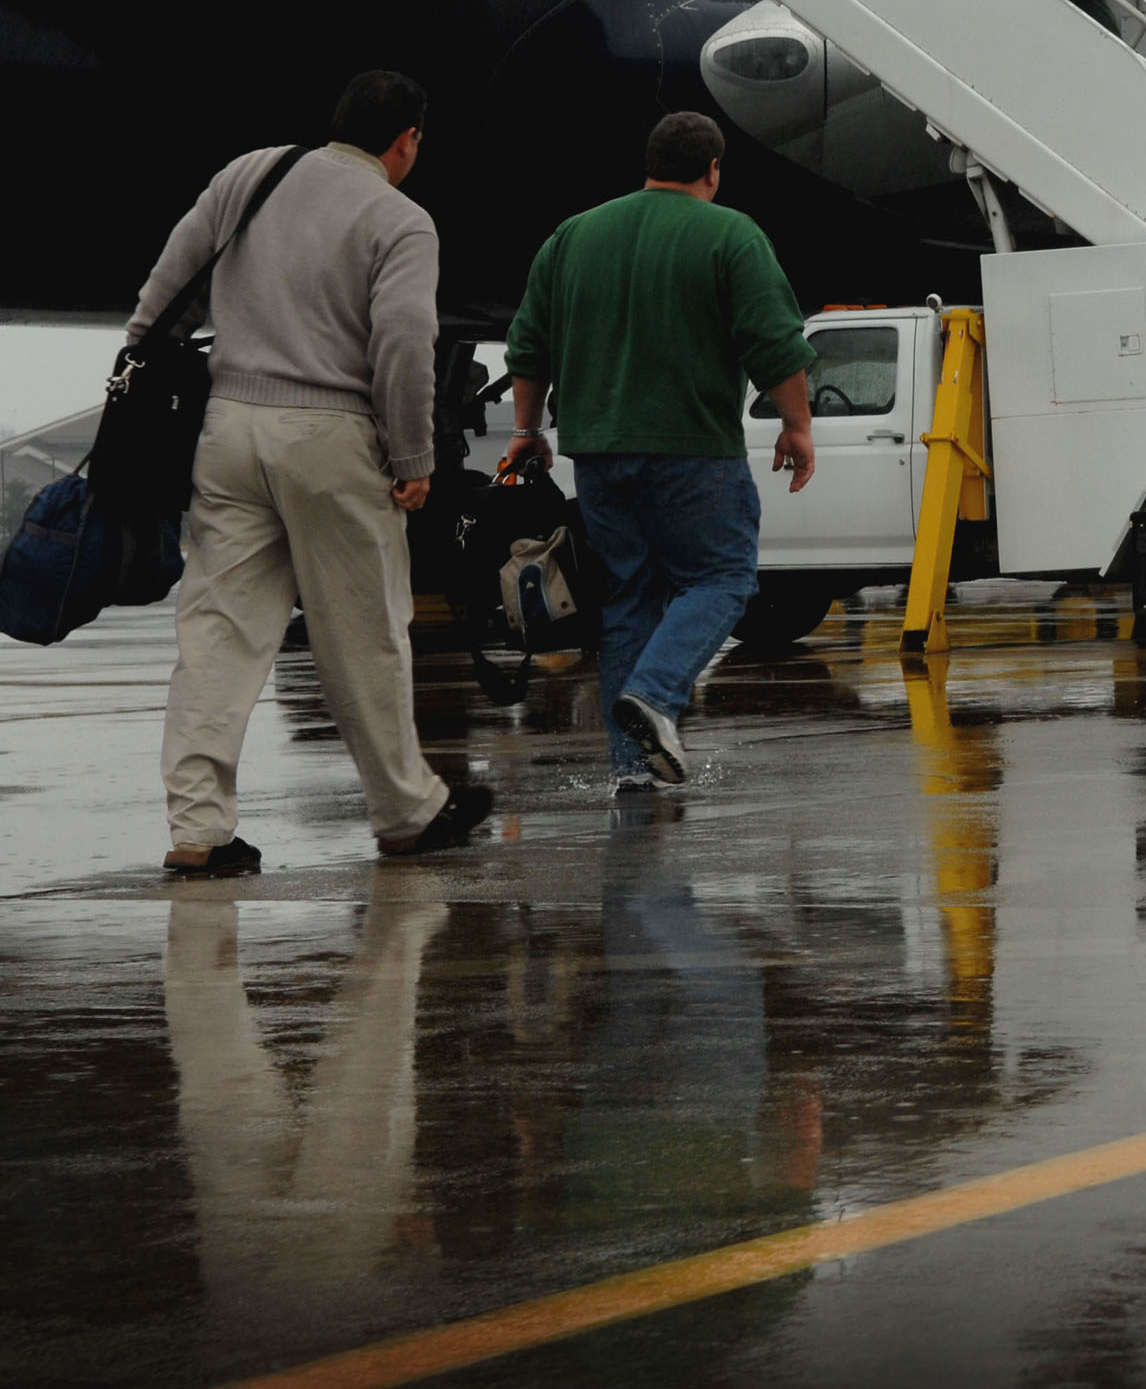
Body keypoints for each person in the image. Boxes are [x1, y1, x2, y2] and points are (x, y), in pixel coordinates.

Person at [136, 69, 490, 874]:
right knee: (363, 632)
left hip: (228, 426)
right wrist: (414, 458)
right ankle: (406, 810)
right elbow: (402, 345)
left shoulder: (248, 173)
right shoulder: (400, 218)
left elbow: (169, 291)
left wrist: (137, 375)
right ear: (406, 142)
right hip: (332, 436)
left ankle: (199, 830)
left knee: (218, 632)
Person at [503, 112, 817, 790]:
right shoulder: (730, 232)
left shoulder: (573, 235)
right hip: (693, 449)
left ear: (649, 163)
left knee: (629, 602)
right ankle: (655, 692)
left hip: (599, 458)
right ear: (712, 170)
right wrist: (797, 424)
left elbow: (528, 345)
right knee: (722, 577)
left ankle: (631, 770)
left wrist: (527, 432)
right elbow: (775, 342)